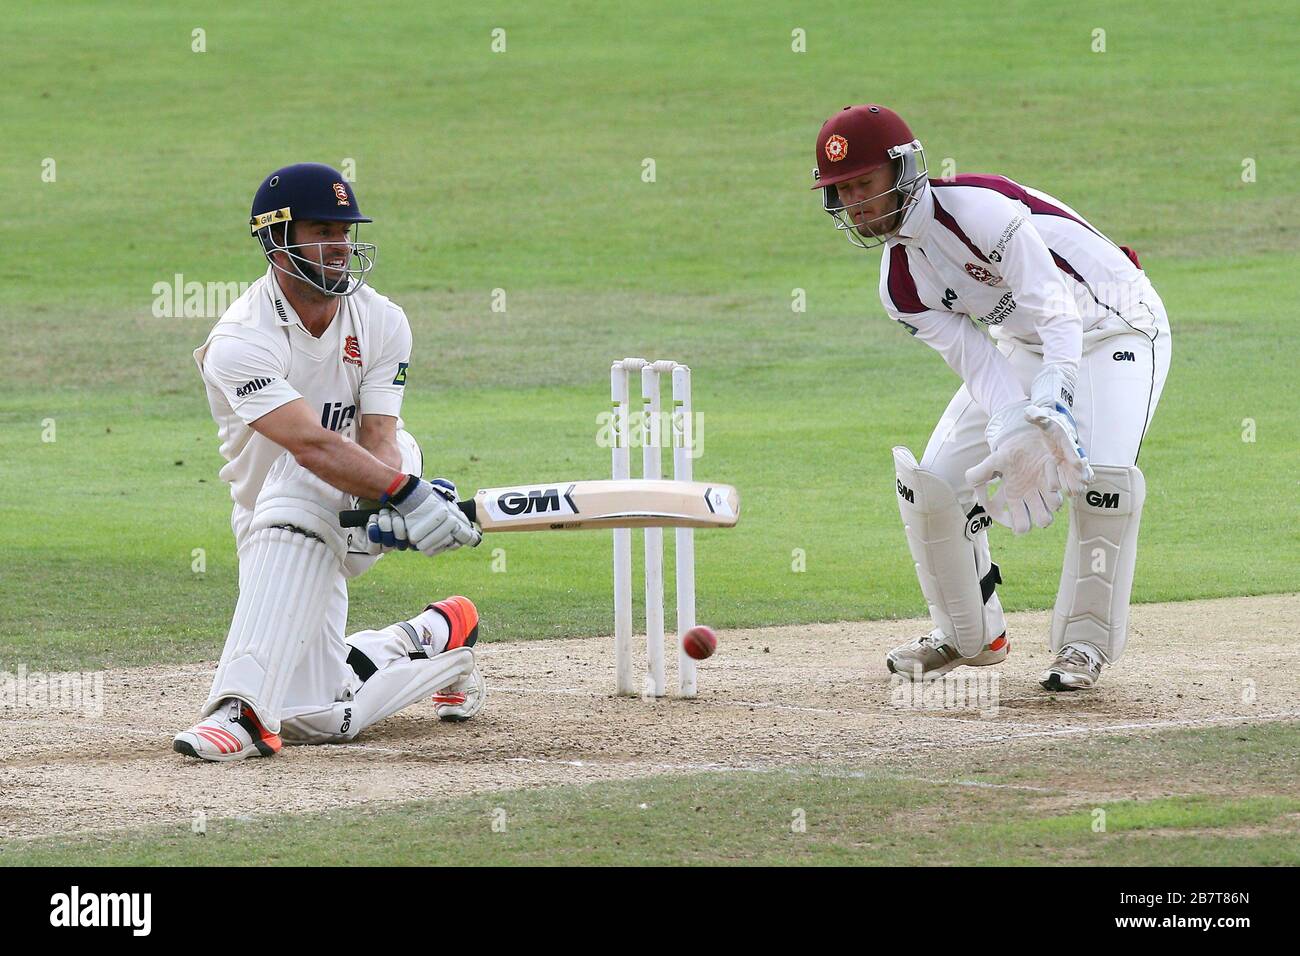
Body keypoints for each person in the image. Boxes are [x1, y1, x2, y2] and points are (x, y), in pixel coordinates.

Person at [812, 105, 1171, 690]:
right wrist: (1016, 428)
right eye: (843, 191)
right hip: (1028, 342)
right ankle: (969, 631)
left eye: (865, 184)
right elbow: (978, 361)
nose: (856, 203)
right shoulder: (899, 285)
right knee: (931, 482)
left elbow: (1056, 309)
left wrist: (1054, 401)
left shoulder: (983, 212)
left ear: (903, 171)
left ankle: (1084, 644)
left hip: (1117, 327)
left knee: (1103, 479)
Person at [174, 163, 484, 761]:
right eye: (323, 230)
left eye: (346, 232)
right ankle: (440, 638)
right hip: (275, 526)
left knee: (306, 481)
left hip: (367, 480)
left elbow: (378, 433)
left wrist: (390, 493)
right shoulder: (240, 340)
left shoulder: (383, 319)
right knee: (317, 716)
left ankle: (238, 711)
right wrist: (409, 495)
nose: (341, 246)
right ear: (276, 240)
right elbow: (311, 444)